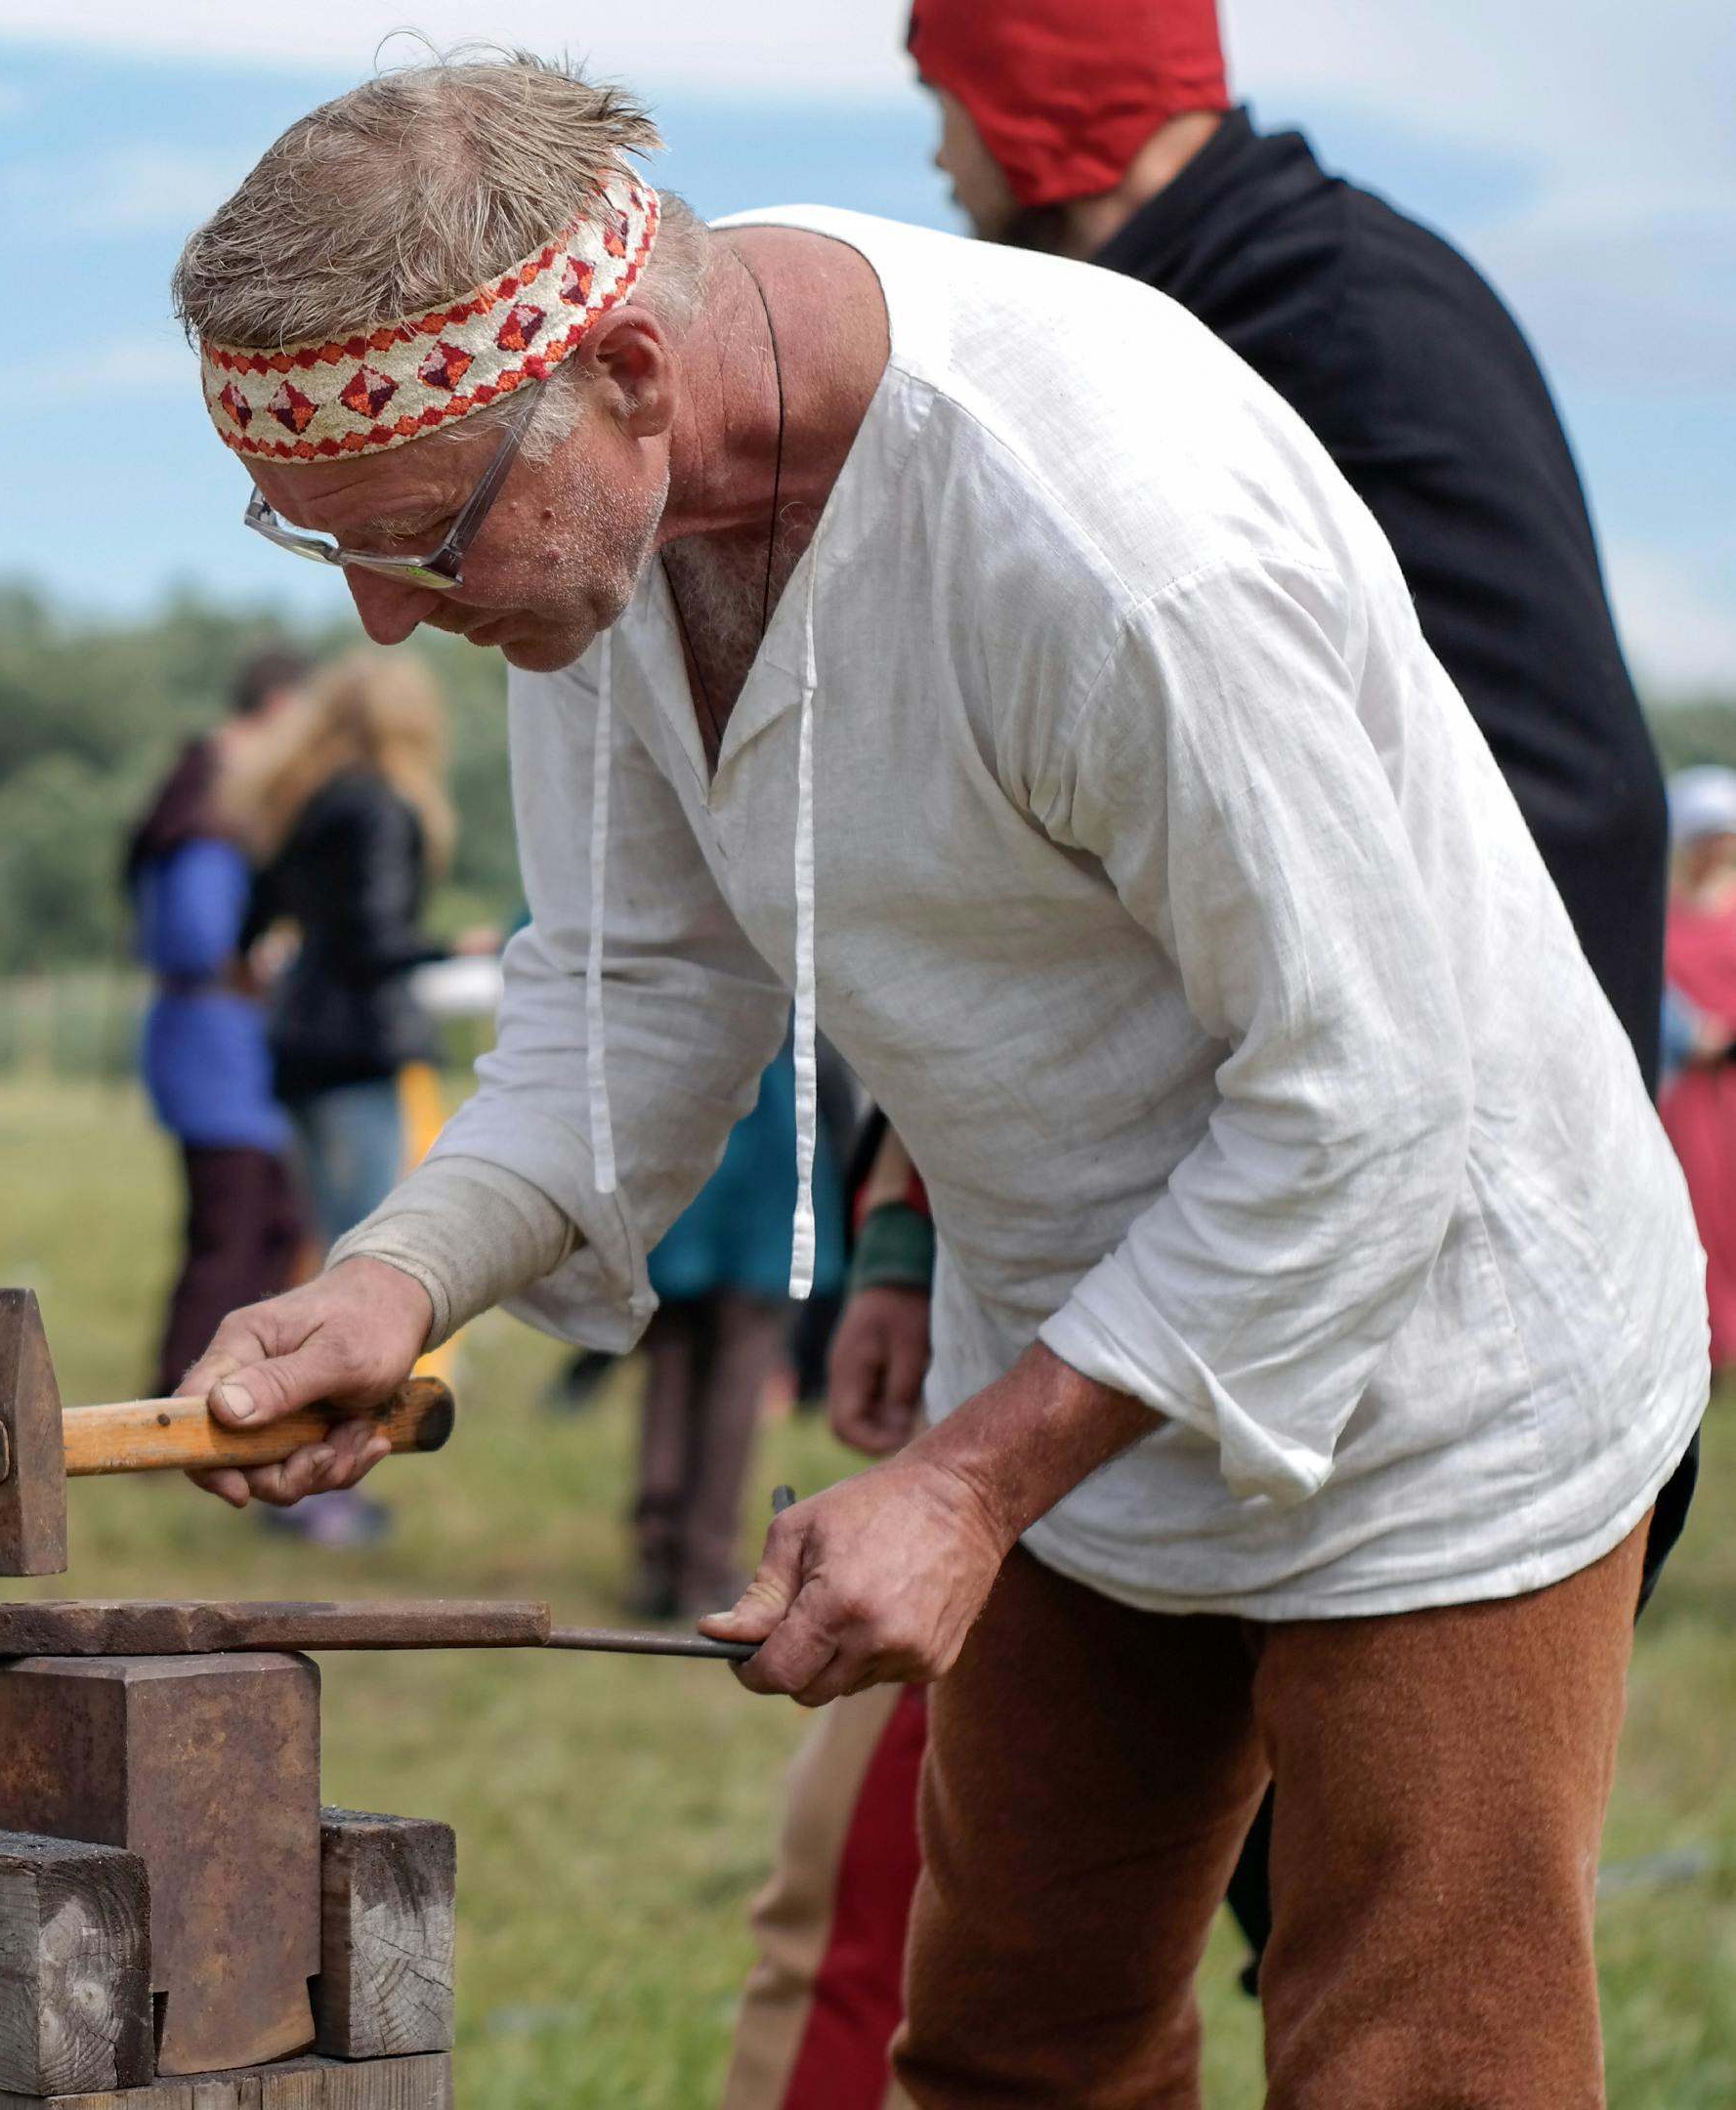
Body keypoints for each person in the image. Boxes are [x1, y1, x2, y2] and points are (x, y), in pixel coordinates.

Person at [164, 52, 1703, 2108]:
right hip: (1070, 1358)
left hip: (1438, 1357)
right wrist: (396, 1278)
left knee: (1420, 2066)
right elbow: (628, 988)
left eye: (418, 538)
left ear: (624, 370)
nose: (384, 614)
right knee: (1008, 2053)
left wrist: (971, 1484)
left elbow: (1371, 1096)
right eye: (328, 551)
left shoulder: (1101, 527)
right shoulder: (584, 540)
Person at [729, 4, 1706, 2092]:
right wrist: (914, 1212)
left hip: (1414, 1309)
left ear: (1020, 103)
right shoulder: (1100, 340)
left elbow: (1497, 843)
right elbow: (1047, 895)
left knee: (1409, 2034)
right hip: (1144, 1282)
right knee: (1022, 2016)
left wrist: (1385, 1247)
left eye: (940, 109)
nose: (931, 169)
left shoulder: (1308, 338)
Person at [219, 649, 459, 1546]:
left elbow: (246, 937)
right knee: (365, 1278)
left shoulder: (299, 801)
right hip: (359, 1050)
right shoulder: (382, 806)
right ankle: (323, 1494)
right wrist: (455, 951)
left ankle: (287, 1465)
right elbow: (373, 945)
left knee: (327, 1260)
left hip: (296, 1051)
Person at [127, 644, 314, 1392]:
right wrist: (274, 963)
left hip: (226, 1048)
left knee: (269, 1226)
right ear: (276, 710)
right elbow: (199, 937)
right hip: (213, 1048)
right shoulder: (212, 805)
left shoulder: (211, 796)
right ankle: (178, 1406)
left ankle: (230, 1389)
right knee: (229, 1235)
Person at [632, 1036, 843, 1619]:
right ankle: (703, 1567)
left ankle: (657, 1559)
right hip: (763, 1158)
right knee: (736, 1375)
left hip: (677, 1149)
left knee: (671, 1364)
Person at [1661, 765, 1736, 1367]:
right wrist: (1687, 1033)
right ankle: (1706, 1340)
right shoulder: (1662, 915)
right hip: (1687, 1090)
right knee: (1696, 1207)